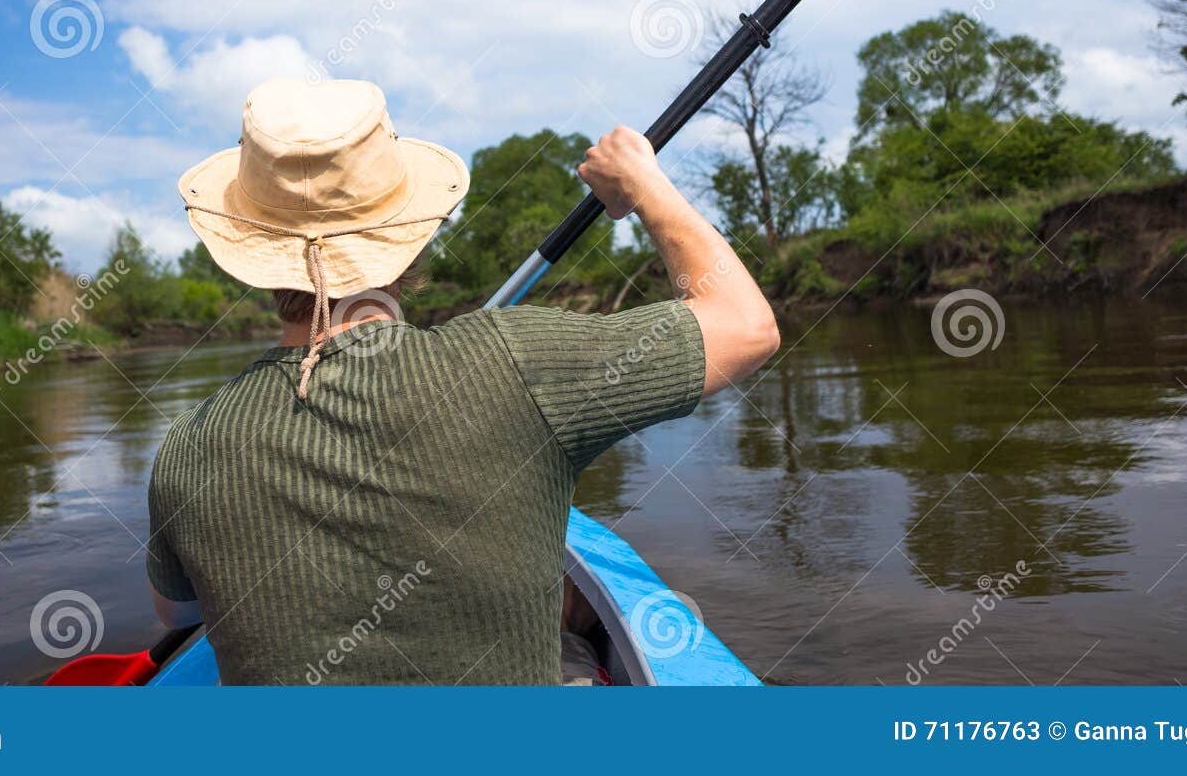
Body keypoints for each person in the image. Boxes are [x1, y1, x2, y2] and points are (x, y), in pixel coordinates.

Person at [146, 78, 779, 684]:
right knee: (578, 614)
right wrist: (644, 181)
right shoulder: (514, 362)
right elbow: (746, 326)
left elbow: (181, 617)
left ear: (250, 258)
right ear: (414, 237)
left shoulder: (186, 448)